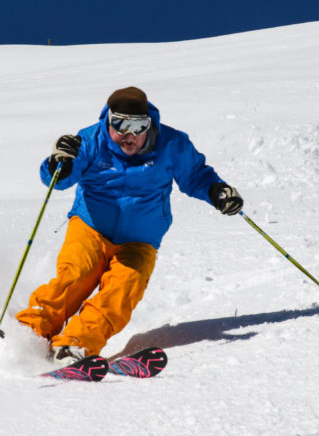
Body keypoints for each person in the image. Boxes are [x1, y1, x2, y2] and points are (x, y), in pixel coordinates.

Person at [16, 87, 244, 364]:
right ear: (107, 121)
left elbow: (196, 175)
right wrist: (58, 163)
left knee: (121, 292)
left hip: (139, 240)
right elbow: (60, 179)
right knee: (76, 275)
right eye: (120, 124)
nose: (128, 134)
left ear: (149, 123)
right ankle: (27, 334)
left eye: (137, 126)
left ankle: (74, 345)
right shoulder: (90, 140)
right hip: (91, 227)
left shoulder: (172, 145)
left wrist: (217, 192)